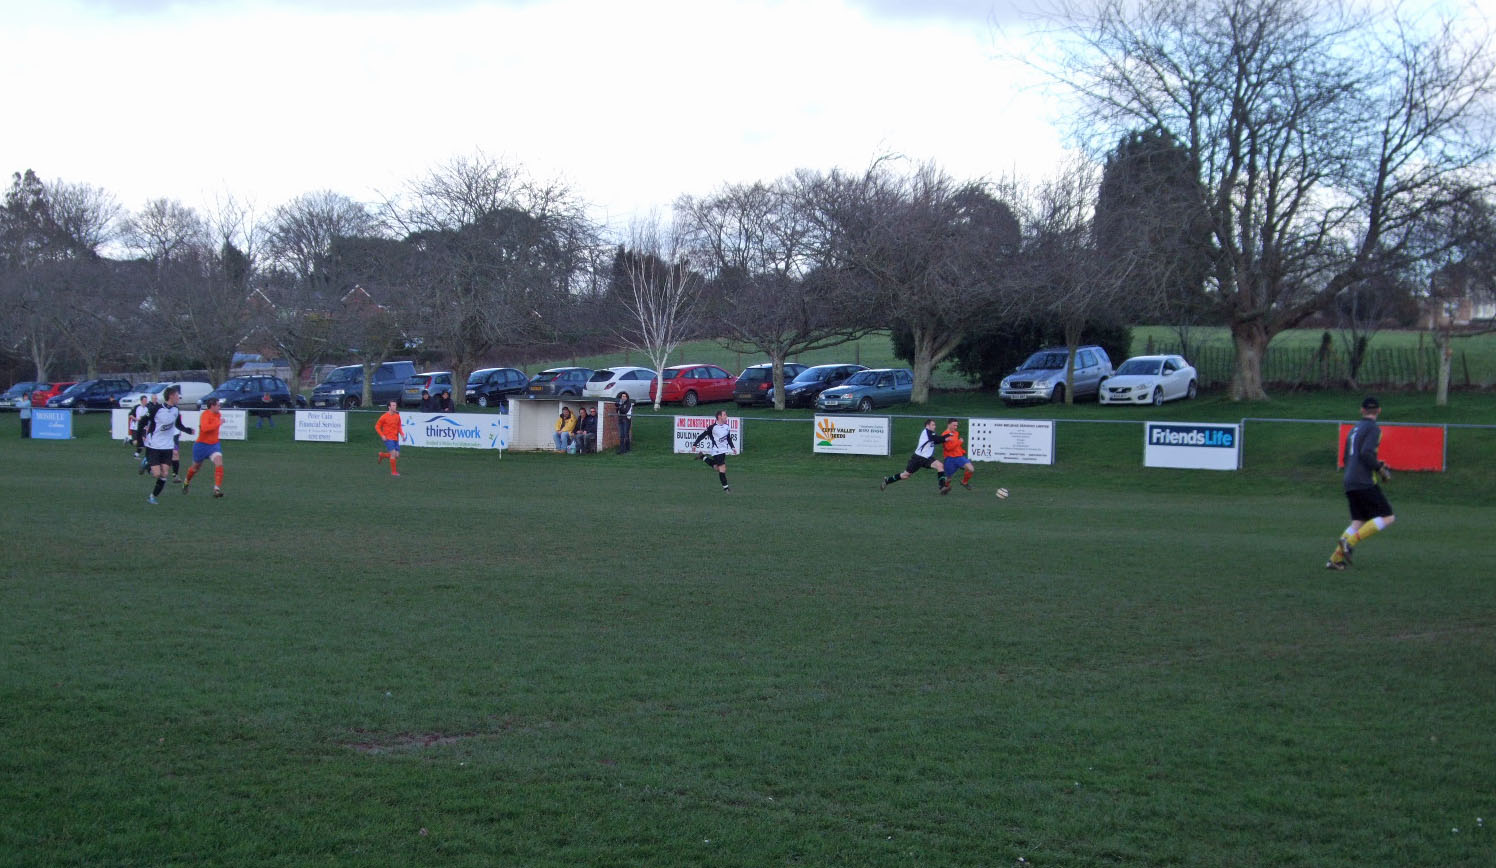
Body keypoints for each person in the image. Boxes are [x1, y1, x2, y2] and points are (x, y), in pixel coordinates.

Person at [1327, 396, 1396, 570]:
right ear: (1379, 411)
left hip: (1349, 480)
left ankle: (1335, 560)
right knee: (1388, 517)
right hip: (1363, 481)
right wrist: (1380, 468)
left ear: (1362, 410)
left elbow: (1347, 457)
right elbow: (1366, 453)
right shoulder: (1373, 429)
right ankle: (1349, 544)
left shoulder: (1354, 429)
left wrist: (1377, 463)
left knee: (1358, 521)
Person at [142, 385, 193, 505]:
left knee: (164, 473)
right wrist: (142, 437)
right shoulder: (156, 409)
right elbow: (143, 421)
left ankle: (152, 497)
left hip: (168, 446)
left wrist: (188, 430)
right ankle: (146, 463)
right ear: (171, 396)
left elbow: (178, 425)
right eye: (177, 396)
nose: (178, 398)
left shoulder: (175, 410)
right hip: (155, 445)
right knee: (157, 474)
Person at [881, 418, 951, 494]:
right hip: (918, 458)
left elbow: (936, 440)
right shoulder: (926, 432)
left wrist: (945, 438)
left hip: (927, 458)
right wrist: (947, 436)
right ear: (927, 426)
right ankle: (887, 480)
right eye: (933, 425)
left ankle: (942, 487)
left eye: (935, 425)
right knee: (905, 475)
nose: (935, 426)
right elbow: (935, 439)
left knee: (940, 465)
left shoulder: (931, 433)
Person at [182, 396, 225, 497]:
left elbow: (214, 427)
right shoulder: (205, 415)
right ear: (212, 406)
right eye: (218, 405)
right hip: (201, 445)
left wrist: (218, 422)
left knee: (219, 463)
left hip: (214, 445)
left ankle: (216, 489)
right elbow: (205, 429)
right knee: (196, 467)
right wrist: (219, 423)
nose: (220, 407)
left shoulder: (218, 414)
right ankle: (186, 482)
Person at [691, 409, 736, 492]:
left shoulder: (727, 427)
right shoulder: (712, 427)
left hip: (723, 451)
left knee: (716, 467)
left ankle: (703, 457)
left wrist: (732, 447)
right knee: (723, 468)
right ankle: (726, 488)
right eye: (725, 415)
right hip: (716, 451)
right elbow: (702, 435)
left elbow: (728, 438)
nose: (726, 416)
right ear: (719, 417)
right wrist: (695, 444)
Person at [941, 418, 976, 490]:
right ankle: (946, 487)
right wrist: (959, 442)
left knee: (971, 469)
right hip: (949, 459)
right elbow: (948, 448)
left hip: (959, 457)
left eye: (956, 426)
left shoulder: (956, 433)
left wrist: (961, 450)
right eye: (954, 425)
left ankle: (964, 482)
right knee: (948, 479)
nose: (956, 427)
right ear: (948, 424)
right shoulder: (944, 435)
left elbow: (956, 445)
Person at [375, 400, 403, 476]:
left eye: (395, 405)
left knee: (397, 455)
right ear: (389, 407)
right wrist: (382, 435)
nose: (395, 407)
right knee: (393, 454)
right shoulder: (384, 417)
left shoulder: (397, 416)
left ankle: (382, 455)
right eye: (393, 405)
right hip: (388, 438)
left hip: (395, 438)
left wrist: (402, 435)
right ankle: (394, 472)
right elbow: (377, 426)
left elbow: (399, 426)